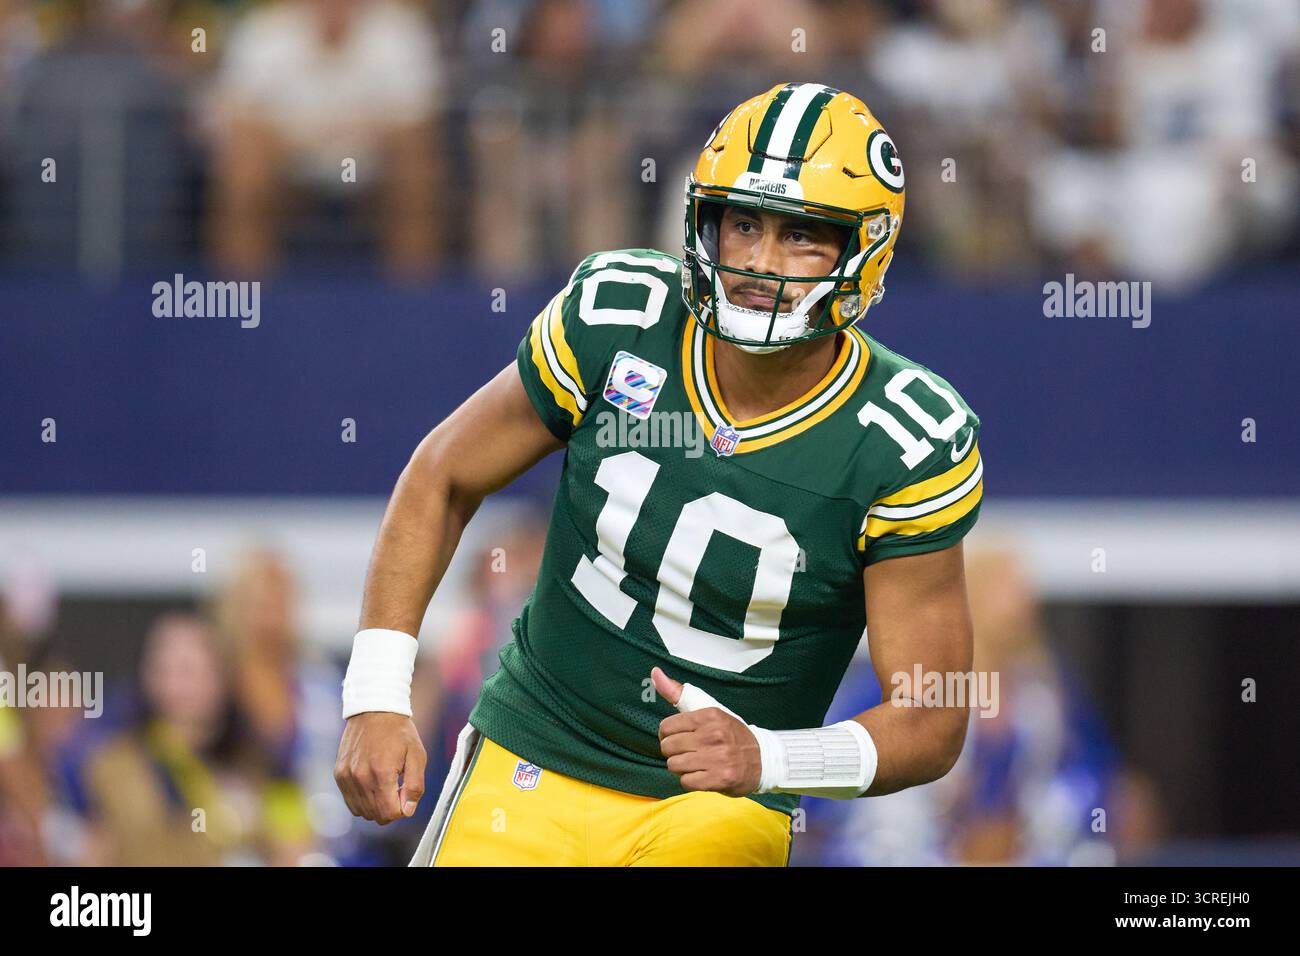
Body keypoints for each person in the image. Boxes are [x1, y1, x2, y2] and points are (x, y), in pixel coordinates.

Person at [335, 83, 985, 867]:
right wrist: (375, 691)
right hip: (534, 750)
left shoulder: (900, 440)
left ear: (865, 251)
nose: (757, 261)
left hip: (716, 803)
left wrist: (771, 758)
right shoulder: (622, 319)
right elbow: (443, 474)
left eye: (801, 236)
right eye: (743, 222)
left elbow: (932, 716)